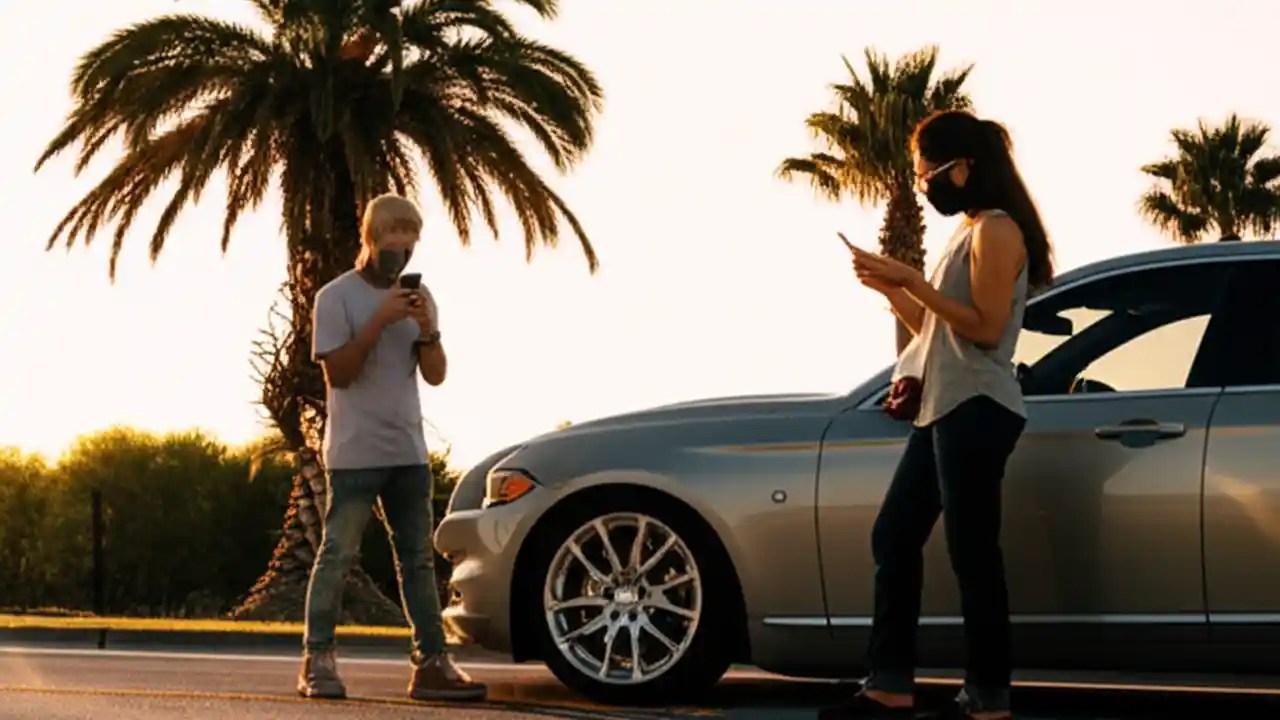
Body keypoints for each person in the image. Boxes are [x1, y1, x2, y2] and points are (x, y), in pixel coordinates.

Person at [841, 110, 1054, 720]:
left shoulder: (998, 231)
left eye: (927, 174)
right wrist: (892, 290)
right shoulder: (966, 231)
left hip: (978, 407)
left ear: (963, 167)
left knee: (972, 552)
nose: (924, 186)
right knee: (895, 535)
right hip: (943, 407)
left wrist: (912, 276)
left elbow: (986, 333)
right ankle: (888, 686)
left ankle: (987, 696)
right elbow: (938, 333)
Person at [296, 193, 486, 702]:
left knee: (418, 561)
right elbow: (339, 374)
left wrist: (429, 331)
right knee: (337, 554)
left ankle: (432, 663)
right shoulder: (336, 298)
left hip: (408, 452)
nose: (401, 248)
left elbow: (436, 375)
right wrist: (379, 321)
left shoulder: (421, 300)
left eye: (410, 239)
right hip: (356, 455)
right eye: (393, 237)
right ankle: (317, 660)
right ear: (371, 238)